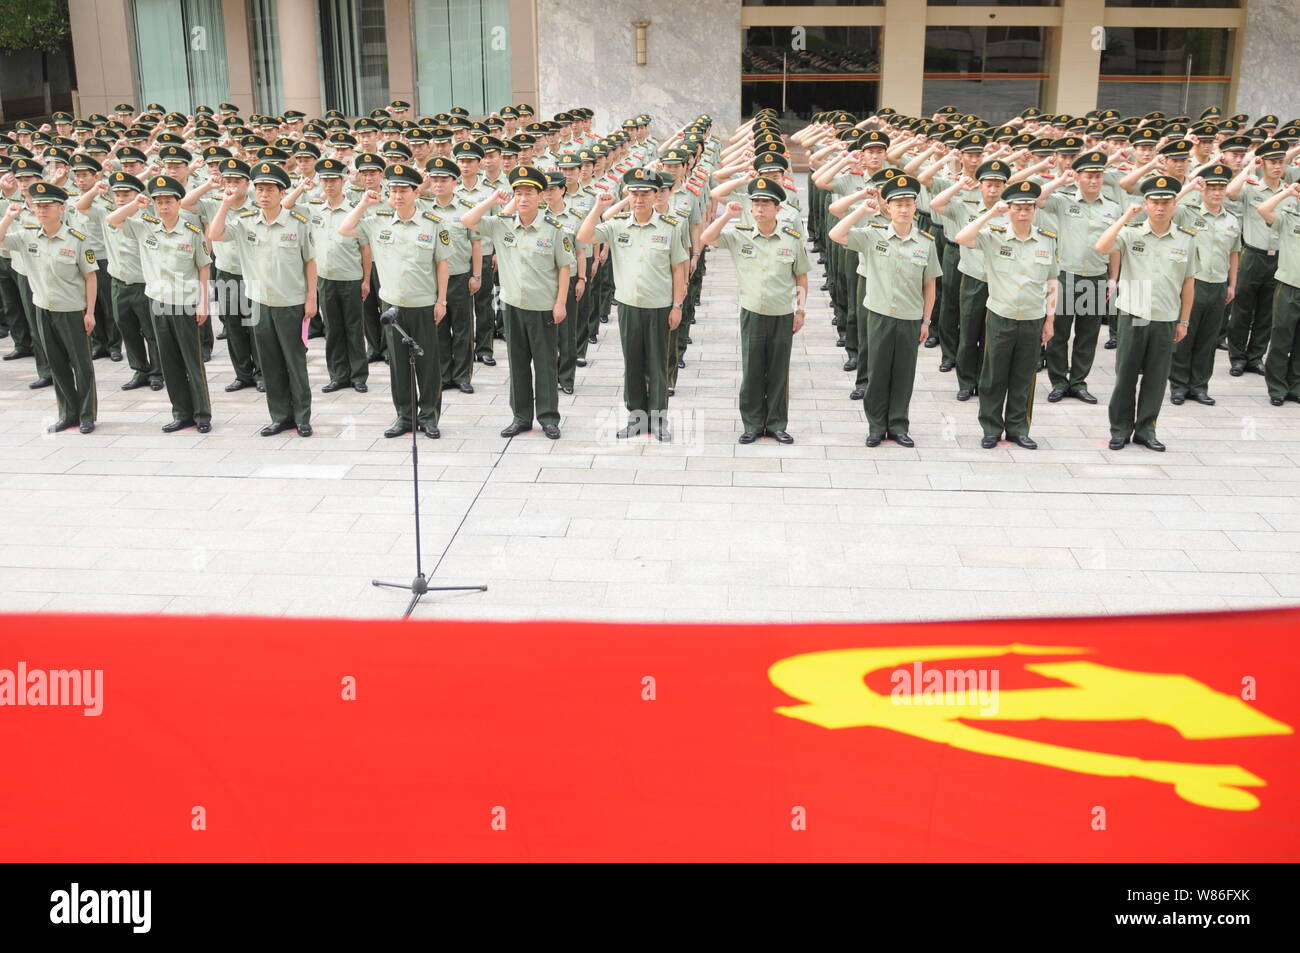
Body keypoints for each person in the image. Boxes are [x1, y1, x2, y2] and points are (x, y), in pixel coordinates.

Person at [340, 163, 452, 439]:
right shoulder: (377, 220)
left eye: (403, 190)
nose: (398, 195)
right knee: (399, 365)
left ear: (416, 192)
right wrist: (364, 205)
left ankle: (429, 416)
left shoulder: (434, 224)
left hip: (424, 304)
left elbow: (442, 264)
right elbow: (344, 229)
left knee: (427, 365)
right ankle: (405, 416)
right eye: (393, 190)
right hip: (392, 306)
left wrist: (442, 301)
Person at [462, 165, 574, 440]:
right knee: (518, 362)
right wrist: (493, 201)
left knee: (546, 363)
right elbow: (467, 220)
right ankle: (521, 417)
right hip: (512, 306)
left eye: (529, 194)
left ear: (540, 197)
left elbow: (564, 268)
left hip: (543, 308)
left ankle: (548, 418)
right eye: (519, 194)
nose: (523, 199)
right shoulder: (502, 224)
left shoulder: (554, 229)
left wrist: (560, 303)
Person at [577, 166, 688, 442]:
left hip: (660, 306)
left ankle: (659, 419)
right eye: (634, 194)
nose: (639, 199)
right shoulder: (617, 226)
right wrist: (598, 207)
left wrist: (677, 305)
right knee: (633, 364)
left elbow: (679, 269)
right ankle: (636, 418)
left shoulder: (670, 228)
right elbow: (584, 236)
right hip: (629, 306)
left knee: (659, 364)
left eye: (645, 194)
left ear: (656, 196)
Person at [828, 174, 938, 447]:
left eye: (908, 203)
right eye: (897, 204)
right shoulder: (871, 235)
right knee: (877, 373)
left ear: (915, 207)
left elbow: (930, 285)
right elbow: (836, 234)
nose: (903, 209)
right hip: (878, 315)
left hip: (910, 317)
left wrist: (926, 321)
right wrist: (861, 212)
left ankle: (899, 425)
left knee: (903, 374)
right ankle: (876, 426)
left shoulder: (926, 243)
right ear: (887, 207)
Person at [209, 162, 317, 437]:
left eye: (270, 189)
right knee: (270, 363)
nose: (264, 194)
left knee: (295, 362)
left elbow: (310, 261)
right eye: (260, 189)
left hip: (290, 303)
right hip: (259, 303)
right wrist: (225, 203)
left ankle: (302, 417)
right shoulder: (245, 222)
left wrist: (311, 298)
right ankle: (280, 416)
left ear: (282, 193)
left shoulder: (298, 222)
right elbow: (215, 235)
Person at [703, 176, 810, 444]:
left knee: (778, 371)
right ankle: (752, 423)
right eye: (756, 204)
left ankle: (775, 423)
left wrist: (801, 310)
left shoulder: (791, 238)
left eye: (765, 204)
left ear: (777, 209)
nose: (760, 209)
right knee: (752, 370)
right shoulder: (740, 235)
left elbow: (801, 277)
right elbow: (707, 237)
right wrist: (726, 215)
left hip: (782, 313)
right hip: (752, 312)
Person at [954, 180, 1059, 450]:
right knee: (993, 376)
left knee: (1024, 377)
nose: (1023, 213)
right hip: (1001, 315)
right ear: (1008, 209)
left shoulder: (1047, 239)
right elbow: (962, 238)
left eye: (1028, 208)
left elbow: (1052, 281)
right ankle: (991, 427)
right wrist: (990, 214)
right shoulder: (994, 234)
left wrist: (1050, 320)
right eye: (1017, 208)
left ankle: (1018, 428)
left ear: (1035, 209)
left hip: (1033, 318)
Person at [1094, 176, 1195, 451]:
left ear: (1175, 205)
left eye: (1166, 202)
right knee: (1126, 375)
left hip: (1165, 315)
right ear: (1146, 204)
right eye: (1155, 202)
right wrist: (1125, 217)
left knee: (1156, 378)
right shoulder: (1131, 233)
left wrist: (1184, 320)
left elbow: (1188, 282)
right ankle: (1119, 429)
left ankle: (1146, 429)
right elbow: (1102, 247)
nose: (1160, 208)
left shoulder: (1186, 239)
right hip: (1133, 311)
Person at [106, 175, 213, 433]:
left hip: (185, 304)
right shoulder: (145, 227)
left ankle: (202, 415)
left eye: (168, 202)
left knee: (192, 362)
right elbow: (112, 220)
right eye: (159, 202)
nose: (163, 207)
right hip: (158, 302)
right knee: (169, 362)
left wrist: (203, 304)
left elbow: (203, 267)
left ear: (178, 203)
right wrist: (136, 205)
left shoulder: (192, 232)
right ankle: (181, 414)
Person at [0, 182, 98, 433]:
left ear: (61, 208)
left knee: (81, 365)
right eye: (38, 205)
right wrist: (8, 219)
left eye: (47, 206)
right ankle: (68, 413)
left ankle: (87, 415)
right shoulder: (27, 236)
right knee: (56, 364)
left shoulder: (77, 240)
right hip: (43, 309)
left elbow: (90, 277)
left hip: (72, 310)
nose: (41, 210)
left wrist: (89, 312)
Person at [1036, 151, 1120, 404]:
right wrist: (1060, 181)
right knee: (1058, 333)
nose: (1094, 181)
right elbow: (1038, 198)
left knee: (1087, 334)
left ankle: (1079, 382)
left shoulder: (1113, 208)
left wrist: (1113, 278)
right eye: (1088, 176)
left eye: (1098, 176)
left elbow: (1115, 245)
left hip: (1095, 278)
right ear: (1078, 177)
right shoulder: (1063, 201)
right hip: (1064, 277)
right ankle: (1059, 382)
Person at [74, 172, 164, 391]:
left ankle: (157, 372)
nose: (121, 198)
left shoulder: (148, 219)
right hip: (118, 283)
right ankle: (139, 369)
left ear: (138, 195)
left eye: (127, 194)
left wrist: (136, 205)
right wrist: (95, 190)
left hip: (144, 284)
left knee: (151, 331)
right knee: (128, 329)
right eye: (118, 194)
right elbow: (81, 206)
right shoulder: (106, 215)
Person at [1169, 164, 1240, 405]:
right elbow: (1168, 207)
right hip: (1193, 283)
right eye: (1212, 188)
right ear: (1203, 190)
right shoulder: (1189, 213)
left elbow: (1234, 252)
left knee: (1208, 339)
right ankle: (1178, 385)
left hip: (1218, 283)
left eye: (1221, 188)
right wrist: (1189, 186)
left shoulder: (1231, 219)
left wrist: (1233, 284)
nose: (1217, 193)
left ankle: (1199, 385)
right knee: (1185, 335)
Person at [304, 157, 372, 394]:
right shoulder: (314, 209)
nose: (329, 184)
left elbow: (365, 247)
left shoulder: (355, 210)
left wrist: (366, 279)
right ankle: (338, 374)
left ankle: (358, 376)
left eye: (333, 179)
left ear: (343, 181)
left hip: (351, 277)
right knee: (332, 329)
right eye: (325, 180)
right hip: (325, 277)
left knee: (354, 328)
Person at [421, 155, 481, 395]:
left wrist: (476, 275)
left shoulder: (467, 209)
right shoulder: (423, 208)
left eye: (443, 179)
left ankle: (462, 376)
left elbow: (476, 243)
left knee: (463, 328)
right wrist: (422, 184)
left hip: (459, 276)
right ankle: (444, 375)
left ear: (454, 181)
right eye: (434, 179)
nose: (438, 184)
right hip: (433, 279)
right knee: (438, 328)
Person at [1255, 181, 1300, 405]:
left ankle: (1296, 385)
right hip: (1289, 285)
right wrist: (1288, 192)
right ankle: (1277, 387)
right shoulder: (1289, 218)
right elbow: (1263, 209)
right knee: (1282, 337)